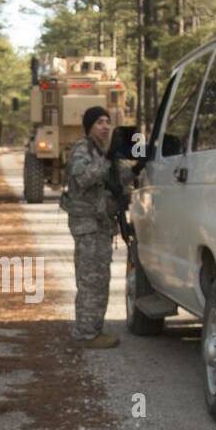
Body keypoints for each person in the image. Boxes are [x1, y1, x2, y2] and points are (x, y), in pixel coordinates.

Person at [61, 105, 121, 348]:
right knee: (89, 280)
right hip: (87, 226)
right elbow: (84, 179)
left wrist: (135, 168)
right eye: (99, 122)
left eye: (107, 121)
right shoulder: (82, 150)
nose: (105, 126)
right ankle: (85, 334)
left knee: (101, 278)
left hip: (101, 226)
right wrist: (107, 160)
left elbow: (112, 181)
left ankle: (94, 329)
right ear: (89, 127)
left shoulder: (100, 151)